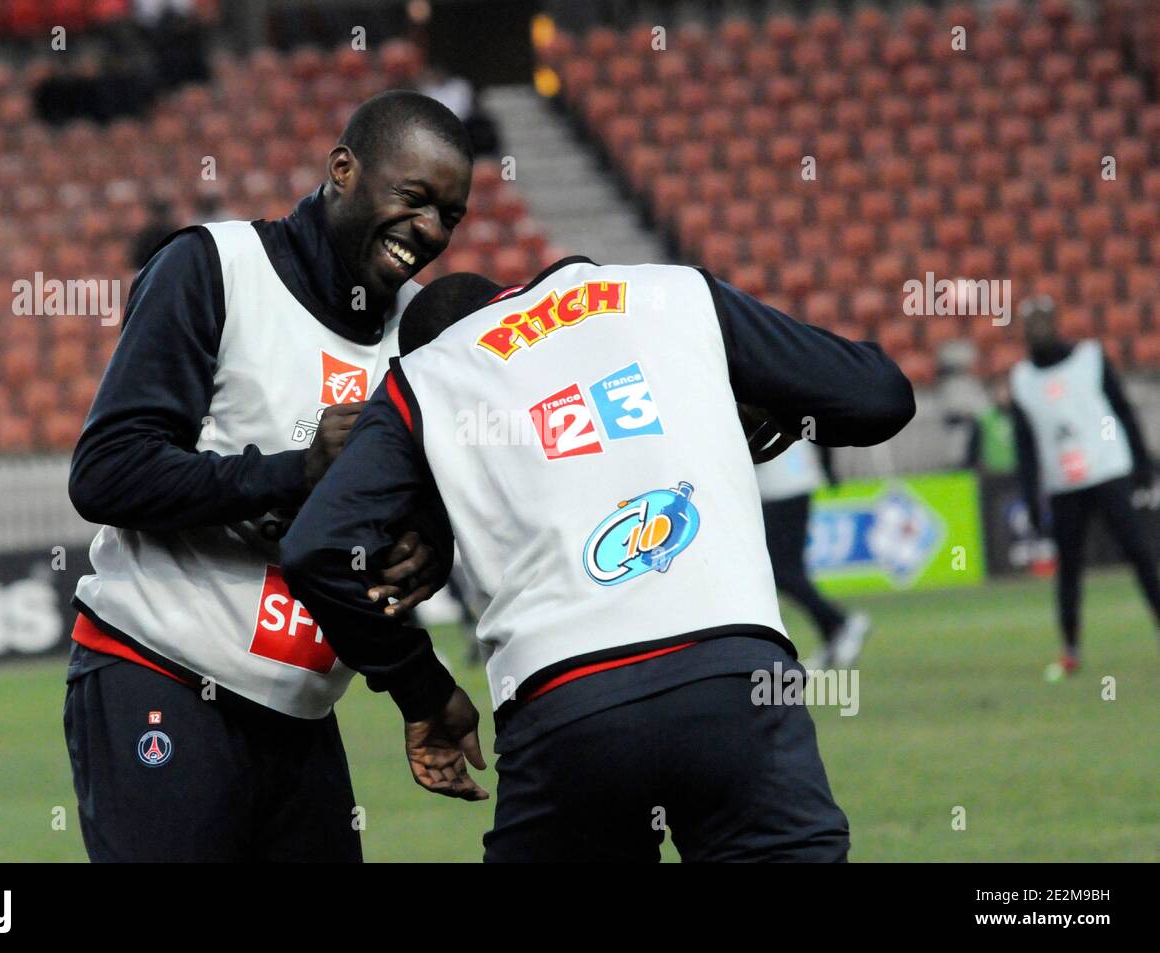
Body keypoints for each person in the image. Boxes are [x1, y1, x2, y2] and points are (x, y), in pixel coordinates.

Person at [282, 258, 916, 861]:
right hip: (737, 681)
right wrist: (771, 404)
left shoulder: (425, 374)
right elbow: (880, 396)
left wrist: (425, 692)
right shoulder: (670, 292)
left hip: (564, 710)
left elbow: (314, 549)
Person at [63, 91, 472, 861]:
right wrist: (296, 472)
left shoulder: (423, 333)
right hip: (161, 674)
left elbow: (426, 500)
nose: (430, 230)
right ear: (343, 170)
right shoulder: (213, 267)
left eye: (450, 216)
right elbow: (106, 472)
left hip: (302, 715)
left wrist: (430, 541)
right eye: (413, 198)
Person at [1009, 296, 1160, 681]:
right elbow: (1024, 446)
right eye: (1032, 323)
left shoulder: (1090, 358)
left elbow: (1122, 409)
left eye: (1044, 321)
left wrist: (1142, 464)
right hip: (1063, 484)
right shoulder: (1022, 380)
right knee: (1069, 570)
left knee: (1141, 554)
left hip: (1108, 468)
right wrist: (1030, 495)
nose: (1039, 330)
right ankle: (1071, 649)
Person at [755, 441, 870, 670]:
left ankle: (839, 622)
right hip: (794, 481)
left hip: (781, 487)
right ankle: (832, 633)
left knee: (782, 572)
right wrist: (828, 469)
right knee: (789, 571)